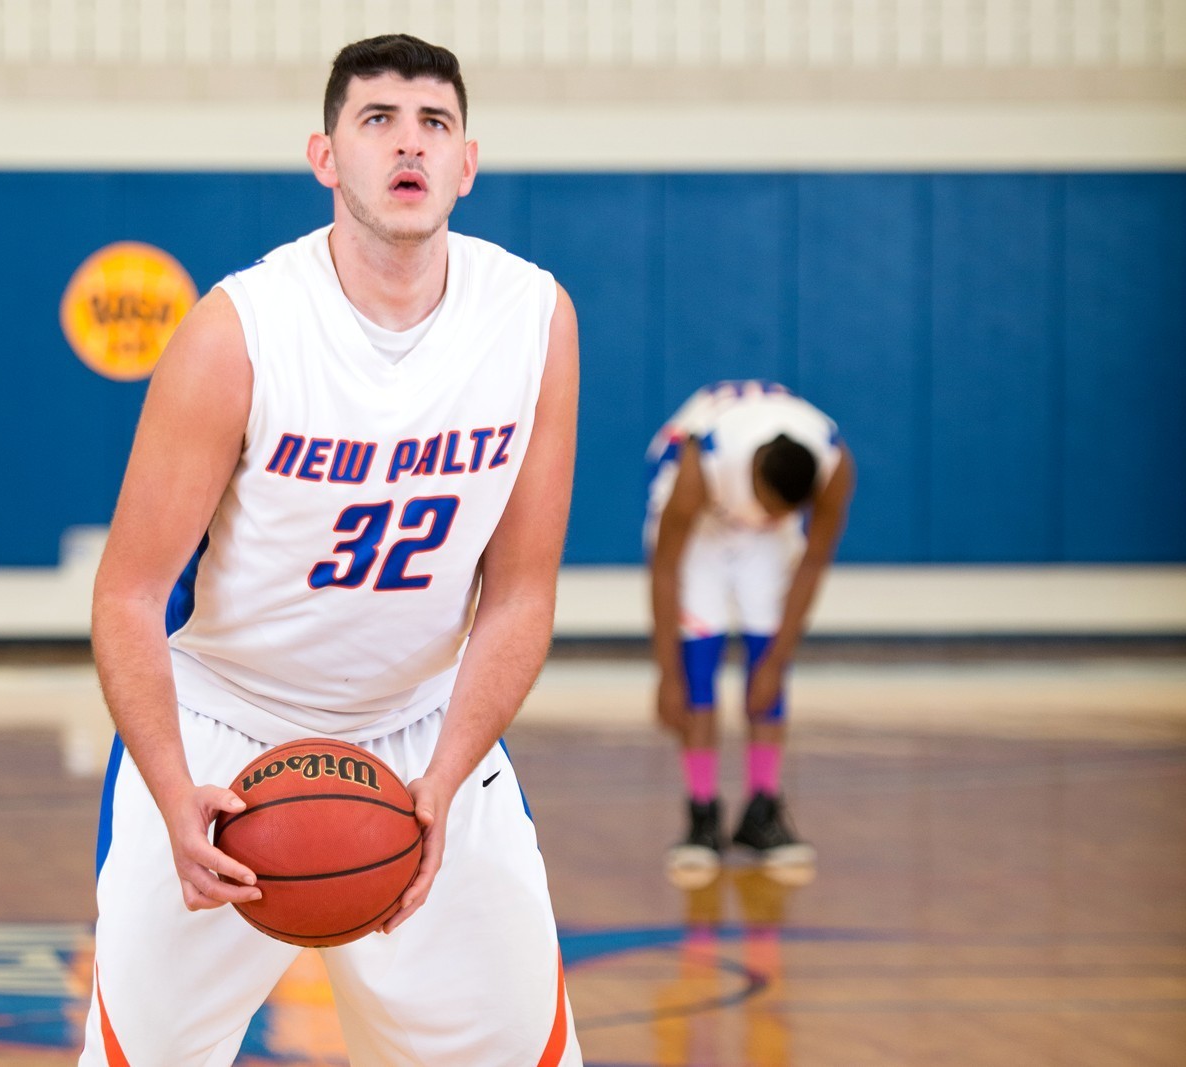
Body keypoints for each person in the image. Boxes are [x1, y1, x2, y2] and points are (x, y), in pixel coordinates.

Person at [81, 34, 583, 1067]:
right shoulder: (240, 330)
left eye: (434, 123)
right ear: (325, 156)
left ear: (466, 163)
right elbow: (128, 594)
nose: (409, 144)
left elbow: (520, 595)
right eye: (378, 119)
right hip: (224, 738)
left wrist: (444, 777)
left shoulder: (532, 317)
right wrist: (172, 790)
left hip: (423, 735)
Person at [644, 380, 855, 881]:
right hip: (703, 528)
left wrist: (777, 662)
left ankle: (763, 809)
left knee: (766, 664)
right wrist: (666, 674)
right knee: (698, 669)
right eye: (774, 506)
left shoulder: (834, 463)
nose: (779, 517)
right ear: (755, 475)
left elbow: (813, 563)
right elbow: (666, 568)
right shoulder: (702, 461)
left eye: (789, 513)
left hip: (761, 541)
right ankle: (702, 814)